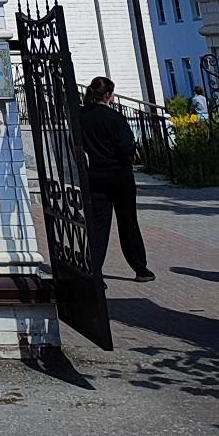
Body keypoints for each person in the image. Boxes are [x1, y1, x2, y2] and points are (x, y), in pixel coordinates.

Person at [79, 76, 155, 283]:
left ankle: (94, 270)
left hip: (95, 173)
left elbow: (74, 142)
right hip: (119, 174)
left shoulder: (81, 117)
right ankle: (140, 268)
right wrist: (133, 152)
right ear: (107, 95)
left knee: (98, 224)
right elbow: (126, 147)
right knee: (128, 221)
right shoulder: (114, 118)